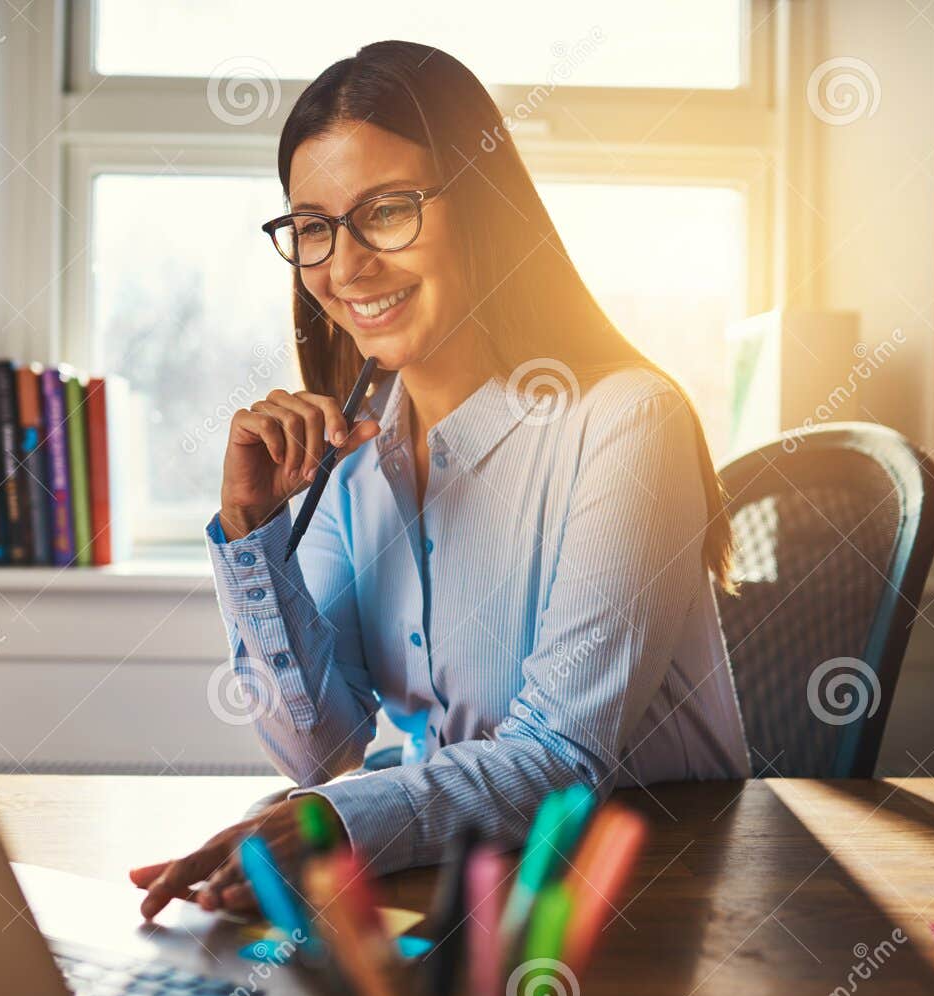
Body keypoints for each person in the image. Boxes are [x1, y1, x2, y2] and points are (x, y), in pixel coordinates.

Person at [132, 41, 747, 920]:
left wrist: (331, 825)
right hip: (461, 891)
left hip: (647, 900)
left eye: (386, 211)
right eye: (313, 225)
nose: (344, 268)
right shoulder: (349, 459)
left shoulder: (627, 422)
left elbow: (561, 758)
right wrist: (250, 532)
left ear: (485, 208)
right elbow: (321, 748)